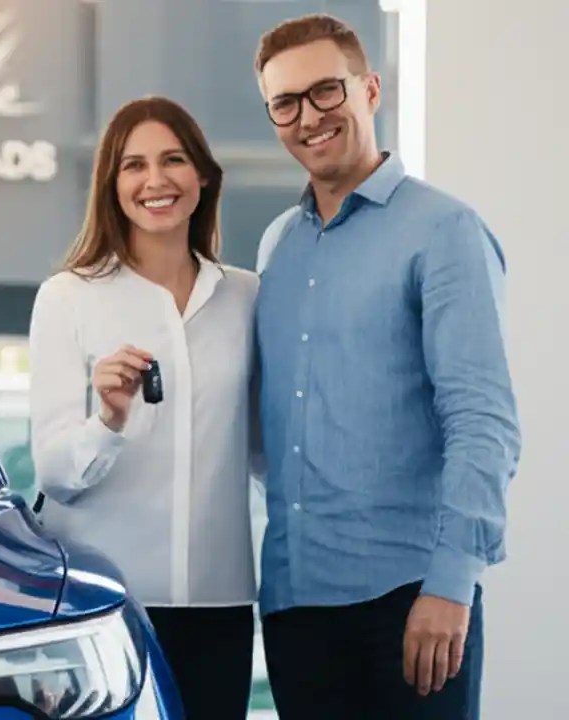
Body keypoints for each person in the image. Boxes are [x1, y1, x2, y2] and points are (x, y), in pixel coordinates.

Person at [251, 14, 521, 719]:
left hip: (411, 602)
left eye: (325, 92)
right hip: (294, 605)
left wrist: (452, 583)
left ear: (369, 90)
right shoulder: (277, 245)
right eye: (285, 103)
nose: (308, 118)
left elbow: (483, 420)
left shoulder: (443, 230)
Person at [28, 96, 258, 719]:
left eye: (173, 160)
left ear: (203, 175)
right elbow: (53, 472)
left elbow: (265, 445)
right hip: (101, 607)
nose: (155, 181)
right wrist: (108, 419)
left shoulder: (244, 295)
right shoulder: (68, 298)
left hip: (221, 604)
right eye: (134, 166)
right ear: (112, 184)